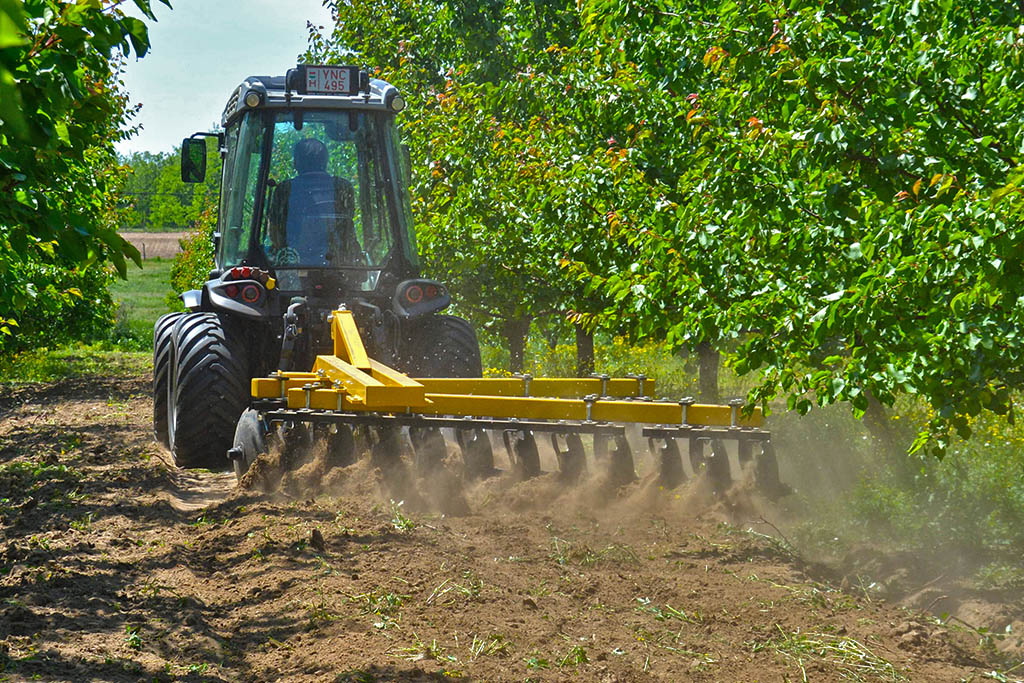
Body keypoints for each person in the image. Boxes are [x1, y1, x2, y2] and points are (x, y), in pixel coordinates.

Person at [267, 138, 358, 265]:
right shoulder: (342, 187)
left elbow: (275, 233)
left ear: (296, 163)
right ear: (325, 161)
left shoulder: (285, 189)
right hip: (339, 265)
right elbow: (347, 227)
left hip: (291, 267)